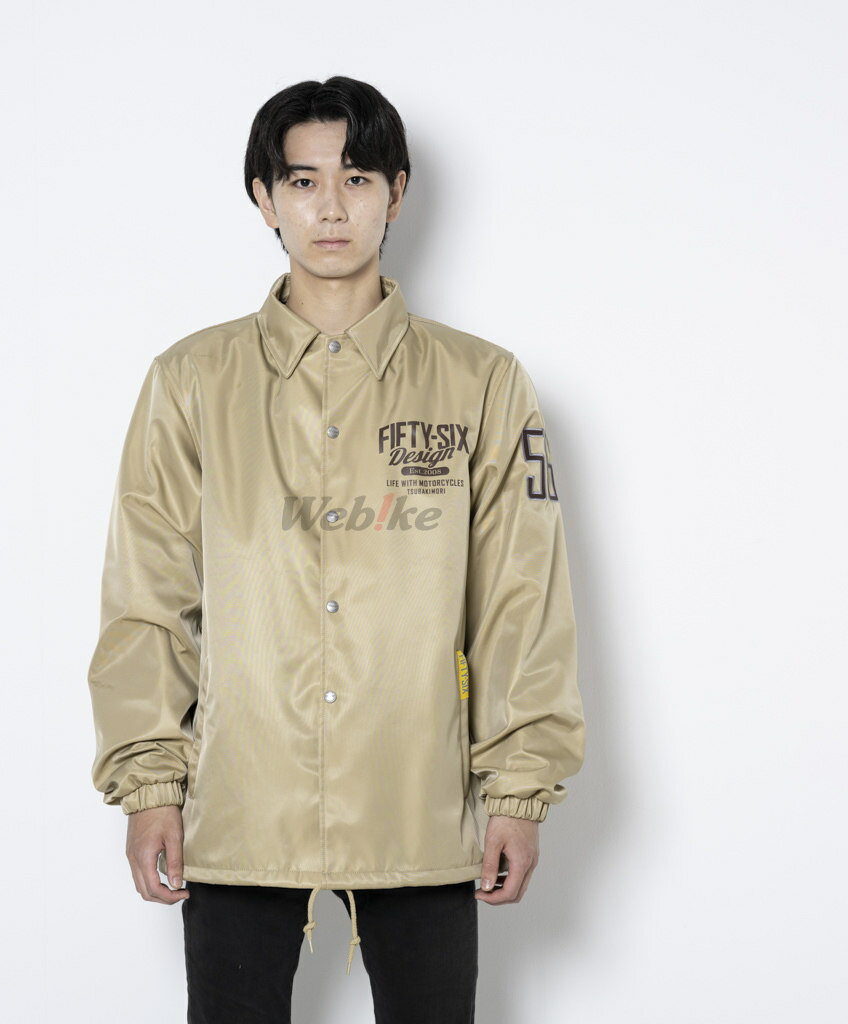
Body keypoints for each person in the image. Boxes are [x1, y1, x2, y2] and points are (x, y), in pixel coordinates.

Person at [87, 75, 586, 1024]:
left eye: (356, 178)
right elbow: (147, 595)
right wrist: (149, 784)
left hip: (418, 804)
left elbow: (521, 599)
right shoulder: (190, 381)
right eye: (303, 180)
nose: (329, 207)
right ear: (264, 198)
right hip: (241, 803)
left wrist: (519, 792)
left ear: (396, 193)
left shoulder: (481, 382)